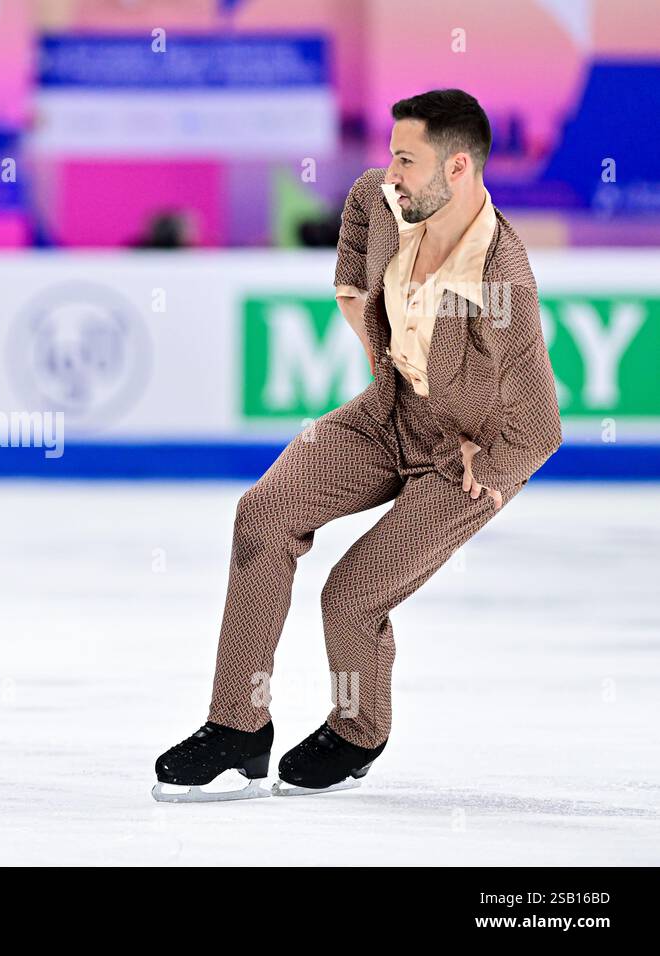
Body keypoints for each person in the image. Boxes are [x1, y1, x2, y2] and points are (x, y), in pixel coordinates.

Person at [152, 89, 563, 801]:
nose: (391, 171)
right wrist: (351, 290)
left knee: (351, 594)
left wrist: (487, 470)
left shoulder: (503, 284)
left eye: (408, 159)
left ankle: (358, 728)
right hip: (387, 413)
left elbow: (540, 425)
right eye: (391, 154)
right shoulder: (381, 199)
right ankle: (238, 725)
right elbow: (355, 220)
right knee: (263, 512)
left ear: (458, 167)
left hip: (463, 451)